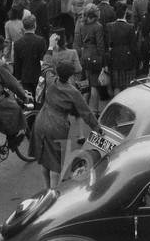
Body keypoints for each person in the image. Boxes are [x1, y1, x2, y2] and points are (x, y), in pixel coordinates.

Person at [32, 60, 100, 189]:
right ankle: (52, 195)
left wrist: (51, 47)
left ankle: (46, 190)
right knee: (55, 164)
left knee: (44, 161)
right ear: (70, 76)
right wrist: (97, 128)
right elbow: (86, 113)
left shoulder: (51, 80)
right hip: (57, 125)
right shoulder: (73, 92)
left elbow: (46, 65)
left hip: (40, 120)